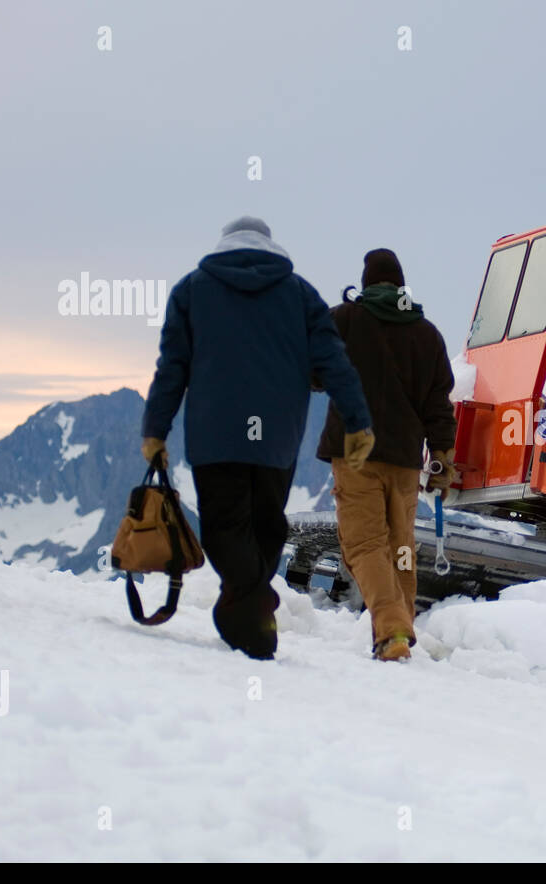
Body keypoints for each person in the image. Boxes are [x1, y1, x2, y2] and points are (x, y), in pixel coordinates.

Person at [141, 216, 374, 660]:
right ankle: (252, 610)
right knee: (268, 524)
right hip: (277, 434)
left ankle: (251, 621)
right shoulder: (301, 295)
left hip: (215, 432)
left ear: (223, 244)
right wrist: (358, 420)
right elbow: (334, 363)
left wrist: (156, 429)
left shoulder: (192, 290)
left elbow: (172, 366)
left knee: (225, 526)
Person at [315, 248, 456, 661]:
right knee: (400, 546)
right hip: (406, 460)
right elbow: (439, 404)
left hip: (356, 453)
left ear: (367, 282)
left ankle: (393, 630)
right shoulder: (427, 334)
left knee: (364, 545)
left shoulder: (344, 319)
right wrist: (443, 457)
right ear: (400, 285)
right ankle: (397, 633)